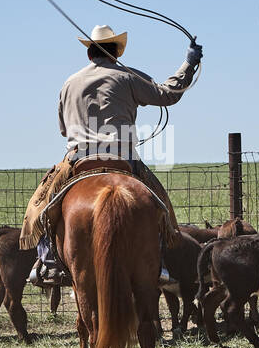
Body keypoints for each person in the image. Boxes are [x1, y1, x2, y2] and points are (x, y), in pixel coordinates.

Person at [21, 24, 203, 285]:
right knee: (161, 208)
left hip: (78, 159)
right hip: (122, 158)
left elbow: (63, 130)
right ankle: (158, 262)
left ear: (89, 54)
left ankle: (48, 259)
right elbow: (168, 94)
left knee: (39, 207)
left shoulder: (69, 83)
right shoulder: (128, 76)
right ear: (116, 52)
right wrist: (189, 63)